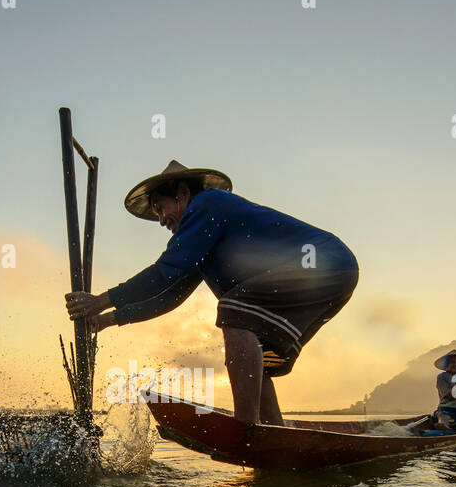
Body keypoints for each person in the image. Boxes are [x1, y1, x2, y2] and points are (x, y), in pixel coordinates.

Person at [65, 160, 359, 426]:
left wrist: (98, 301)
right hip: (334, 273)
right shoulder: (200, 243)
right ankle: (273, 432)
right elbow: (170, 295)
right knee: (260, 356)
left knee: (234, 312)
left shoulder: (208, 203)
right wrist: (108, 319)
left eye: (160, 207)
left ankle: (246, 426)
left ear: (181, 193)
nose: (160, 219)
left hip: (323, 262)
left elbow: (163, 271)